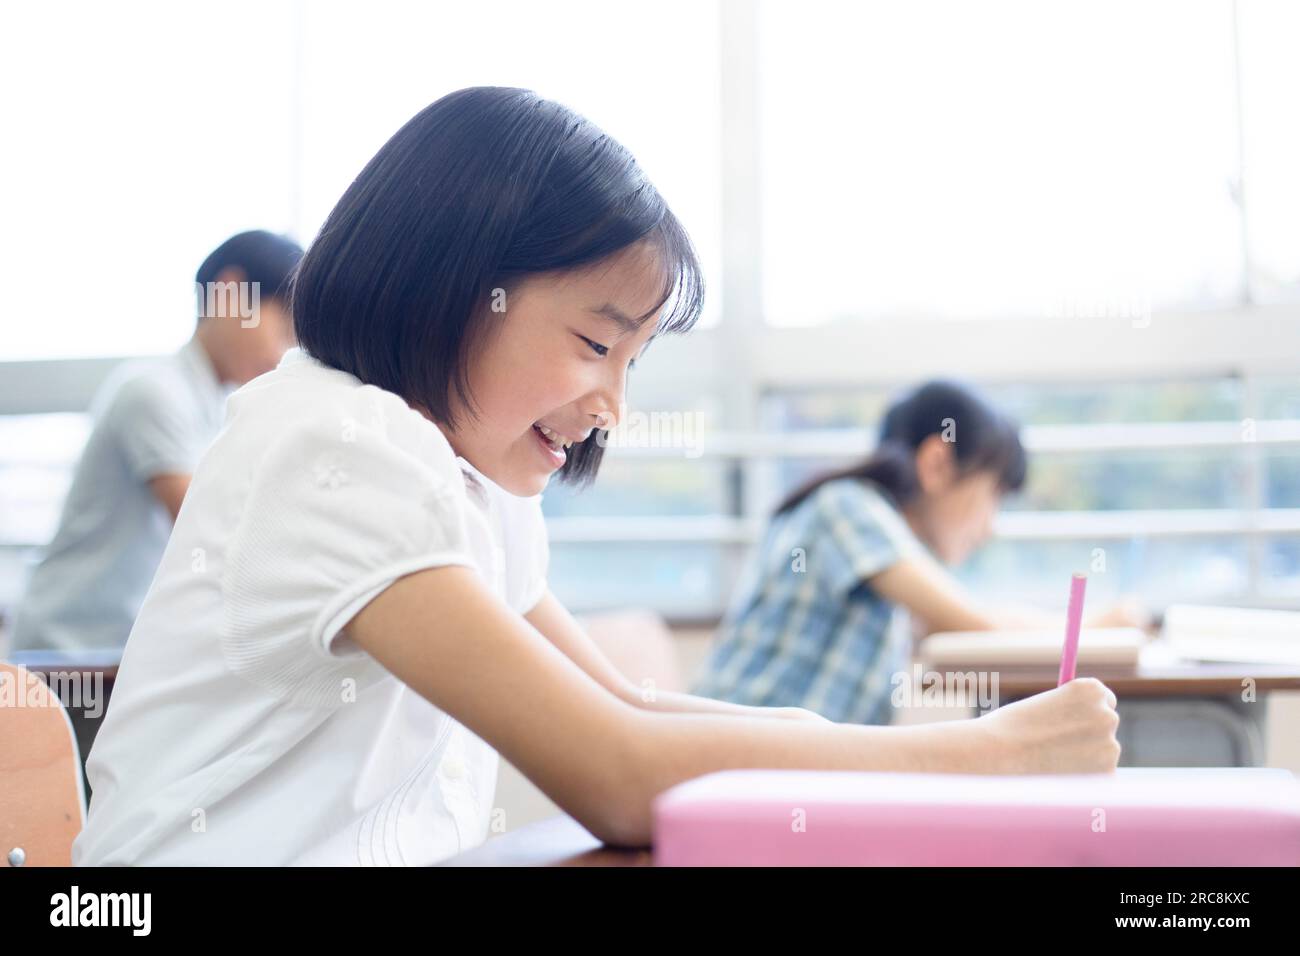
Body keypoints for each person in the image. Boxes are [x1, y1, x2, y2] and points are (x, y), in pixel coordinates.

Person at [73, 89, 1120, 866]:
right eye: (594, 342)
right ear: (449, 285)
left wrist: (868, 746)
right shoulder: (340, 446)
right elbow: (614, 770)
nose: (612, 405)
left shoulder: (472, 481)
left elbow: (627, 702)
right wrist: (985, 757)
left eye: (633, 361)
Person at [692, 380, 1146, 724]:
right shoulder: (847, 508)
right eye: (993, 495)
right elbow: (975, 621)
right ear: (936, 464)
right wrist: (1096, 626)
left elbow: (964, 623)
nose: (990, 526)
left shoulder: (883, 550)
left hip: (777, 767)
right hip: (736, 759)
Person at [10, 231, 302, 655]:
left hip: (118, 647)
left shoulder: (216, 405)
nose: (282, 354)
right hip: (69, 649)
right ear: (230, 293)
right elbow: (208, 526)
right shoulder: (154, 391)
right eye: (284, 329)